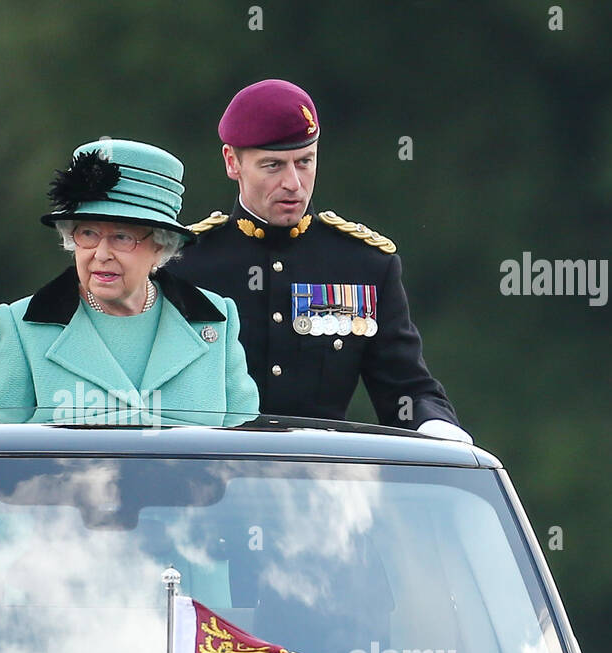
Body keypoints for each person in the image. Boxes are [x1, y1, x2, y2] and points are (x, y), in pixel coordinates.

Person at [166, 79, 471, 442]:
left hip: (318, 483)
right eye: (273, 166)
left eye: (305, 161)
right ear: (233, 162)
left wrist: (436, 428)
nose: (293, 183)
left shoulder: (364, 266)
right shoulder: (183, 265)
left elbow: (406, 388)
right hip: (210, 481)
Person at [0, 139, 259, 423]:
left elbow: (245, 449)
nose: (101, 254)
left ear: (160, 246)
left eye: (122, 237)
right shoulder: (25, 326)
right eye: (87, 234)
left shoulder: (215, 322)